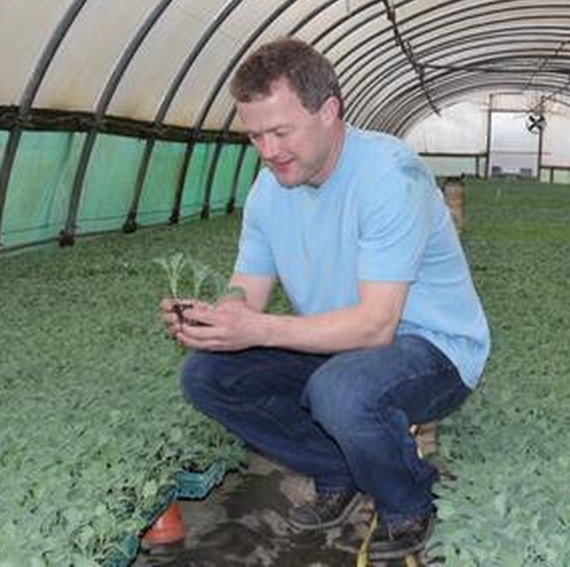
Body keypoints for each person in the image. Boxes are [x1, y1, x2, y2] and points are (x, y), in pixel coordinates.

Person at [158, 38, 490, 559]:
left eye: (281, 132)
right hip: (339, 349)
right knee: (205, 374)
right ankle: (337, 468)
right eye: (255, 136)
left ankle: (408, 501)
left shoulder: (388, 177)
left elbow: (377, 328)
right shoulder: (269, 190)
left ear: (329, 111)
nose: (268, 151)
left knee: (343, 390)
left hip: (431, 349)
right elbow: (246, 288)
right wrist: (216, 319)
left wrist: (261, 329)